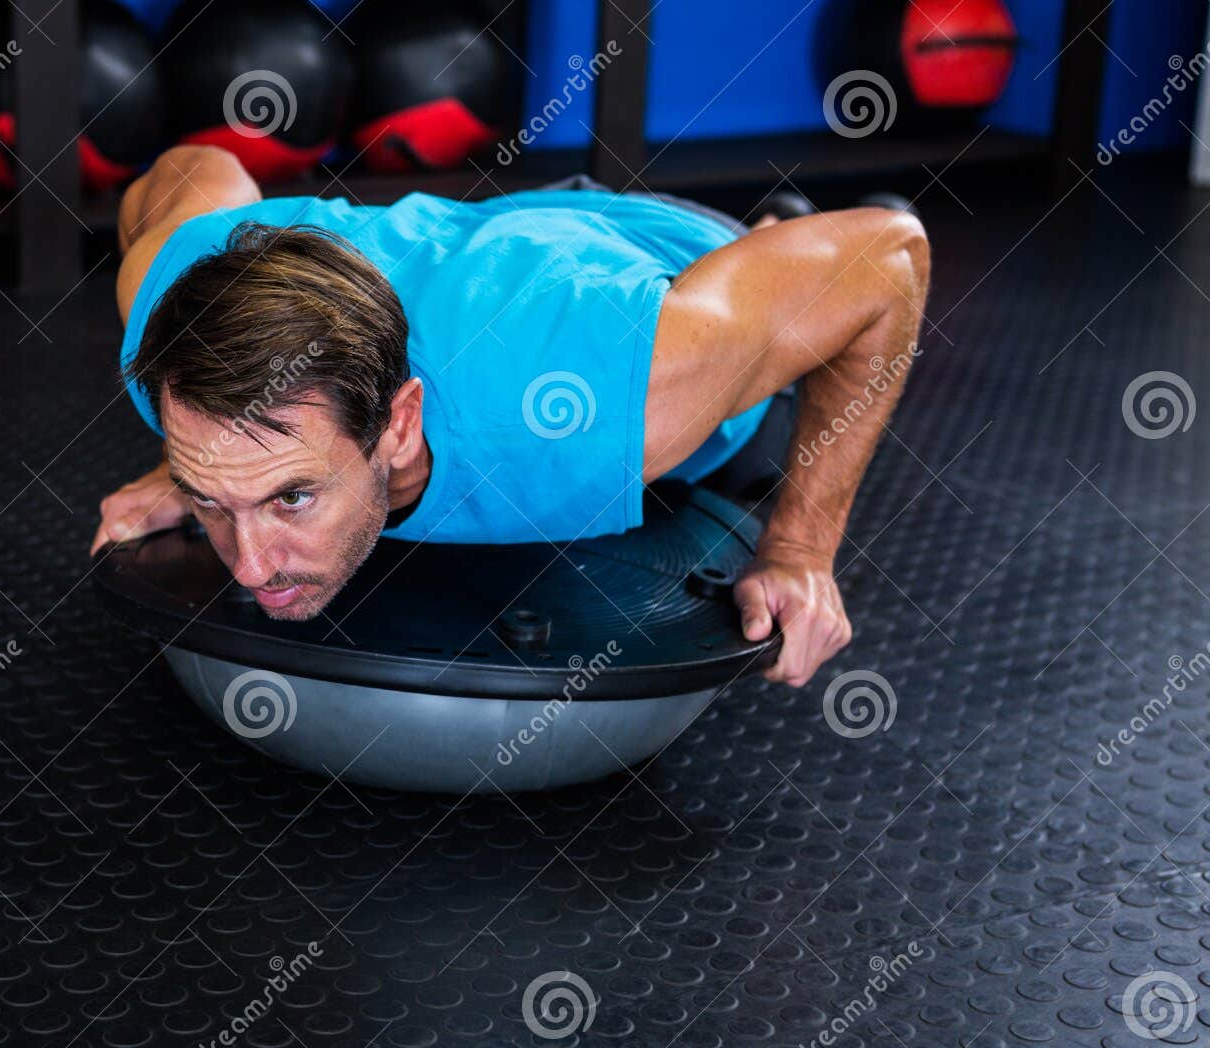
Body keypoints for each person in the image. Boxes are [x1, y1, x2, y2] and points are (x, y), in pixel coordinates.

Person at [92, 146, 930, 688]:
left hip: (651, 255)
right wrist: (208, 467)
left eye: (292, 497)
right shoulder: (171, 316)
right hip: (499, 233)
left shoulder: (616, 398)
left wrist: (799, 549)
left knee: (780, 342)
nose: (247, 566)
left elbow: (890, 255)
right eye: (217, 505)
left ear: (400, 424)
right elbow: (191, 167)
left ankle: (775, 225)